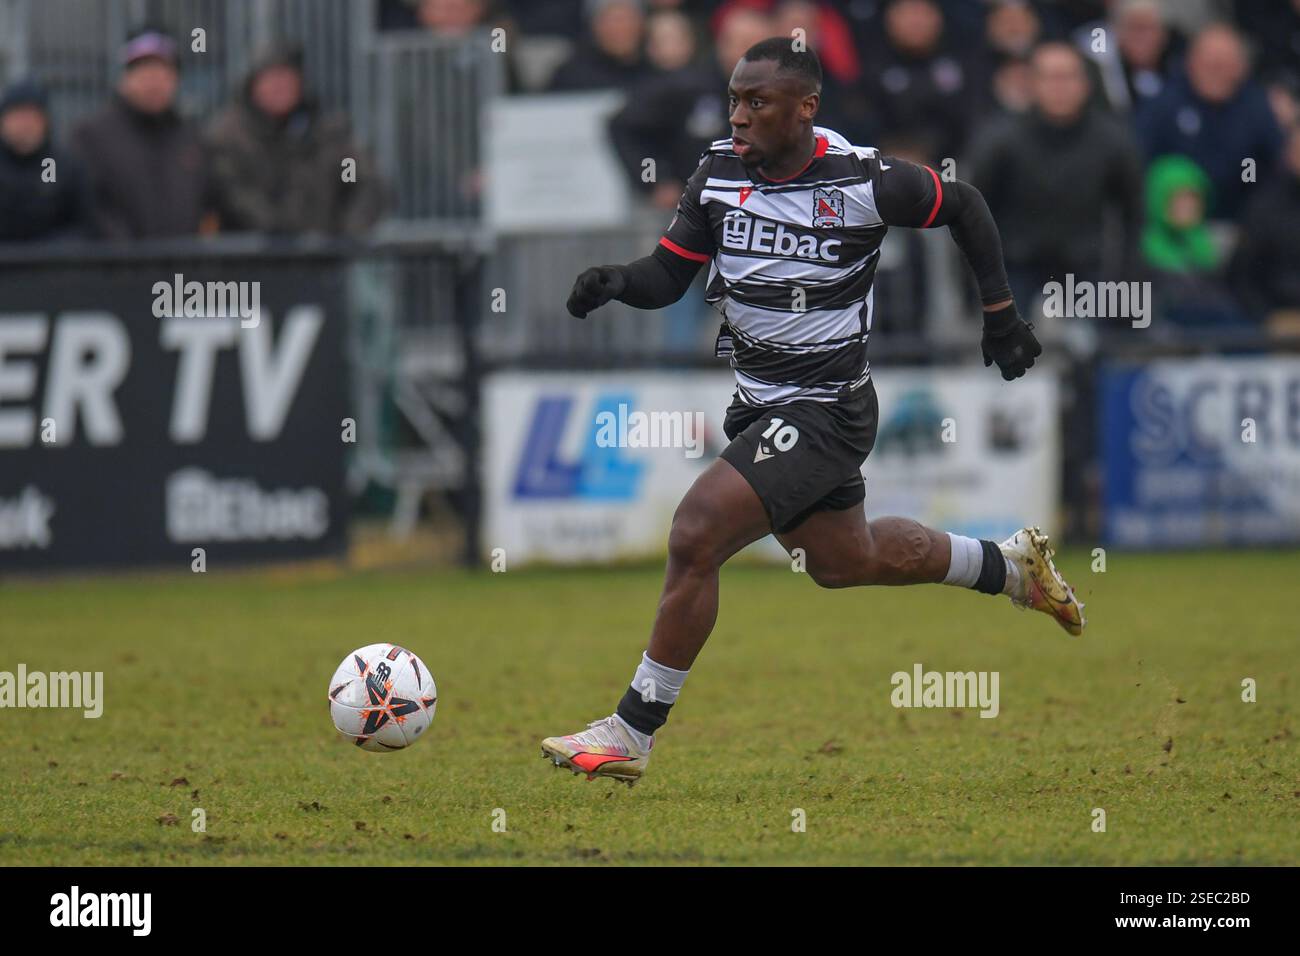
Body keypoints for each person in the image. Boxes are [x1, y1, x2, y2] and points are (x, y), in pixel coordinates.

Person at [541, 39, 1085, 786]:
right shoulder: (718, 172)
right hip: (760, 406)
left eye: (756, 103)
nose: (738, 116)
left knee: (696, 531)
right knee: (843, 561)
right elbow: (669, 274)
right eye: (734, 99)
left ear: (805, 109)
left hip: (827, 408)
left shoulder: (862, 178)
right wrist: (615, 281)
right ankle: (1009, 567)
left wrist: (1000, 316)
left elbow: (964, 205)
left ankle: (632, 732)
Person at [966, 42, 1144, 322]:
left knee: (1099, 343)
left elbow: (1134, 214)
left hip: (1086, 270)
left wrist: (1124, 281)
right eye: (1050, 77)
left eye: (1069, 77)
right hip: (1014, 269)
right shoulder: (999, 141)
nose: (1060, 87)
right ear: (1032, 84)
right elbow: (971, 216)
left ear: (1086, 84)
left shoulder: (1113, 141)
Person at [205, 44, 386, 236]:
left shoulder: (329, 134)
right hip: (252, 259)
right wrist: (279, 233)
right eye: (271, 78)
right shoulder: (228, 137)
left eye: (287, 77)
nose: (280, 87)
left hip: (323, 258)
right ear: (253, 85)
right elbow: (233, 194)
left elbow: (364, 181)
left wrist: (349, 229)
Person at [72, 27, 214, 239]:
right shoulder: (91, 137)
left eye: (162, 72)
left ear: (175, 80)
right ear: (125, 79)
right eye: (144, 72)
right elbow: (88, 207)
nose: (153, 82)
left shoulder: (192, 137)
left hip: (183, 268)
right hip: (116, 268)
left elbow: (208, 204)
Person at [1135, 22, 1282, 220]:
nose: (1216, 72)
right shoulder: (1163, 105)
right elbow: (1140, 165)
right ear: (1190, 62)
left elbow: (1276, 165)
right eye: (1209, 63)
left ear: (1241, 68)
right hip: (1175, 224)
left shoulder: (1256, 106)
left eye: (1224, 65)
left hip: (1244, 221)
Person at [0, 79, 89, 241]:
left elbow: (83, 225)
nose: (25, 124)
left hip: (50, 263)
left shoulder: (65, 167)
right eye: (18, 116)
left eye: (32, 116)